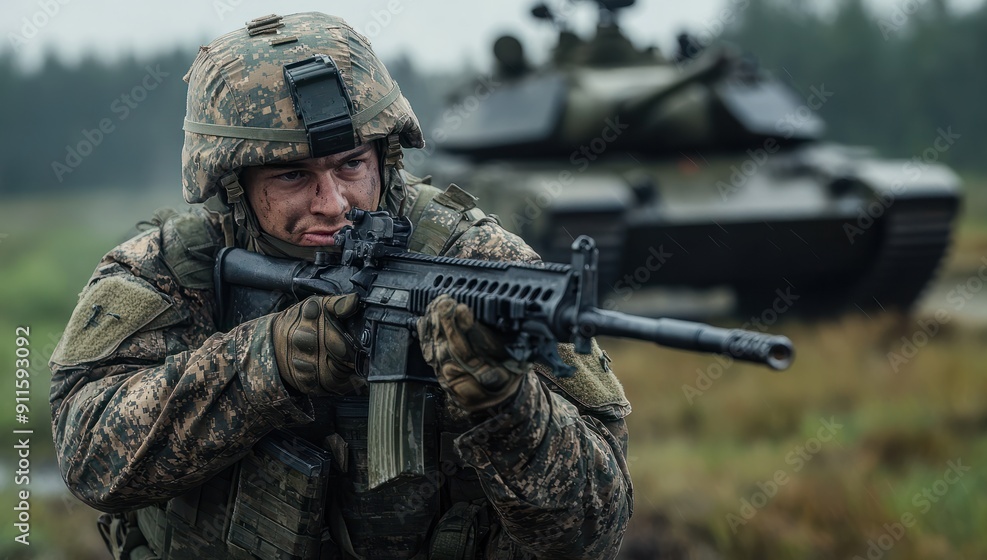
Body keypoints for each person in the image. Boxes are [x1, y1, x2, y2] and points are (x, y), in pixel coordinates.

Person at [49, 12, 632, 560]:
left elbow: (596, 530)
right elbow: (87, 458)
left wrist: (511, 412)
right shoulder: (174, 269)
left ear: (386, 154)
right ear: (232, 184)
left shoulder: (477, 261)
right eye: (292, 175)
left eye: (351, 164)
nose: (334, 204)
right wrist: (260, 365)